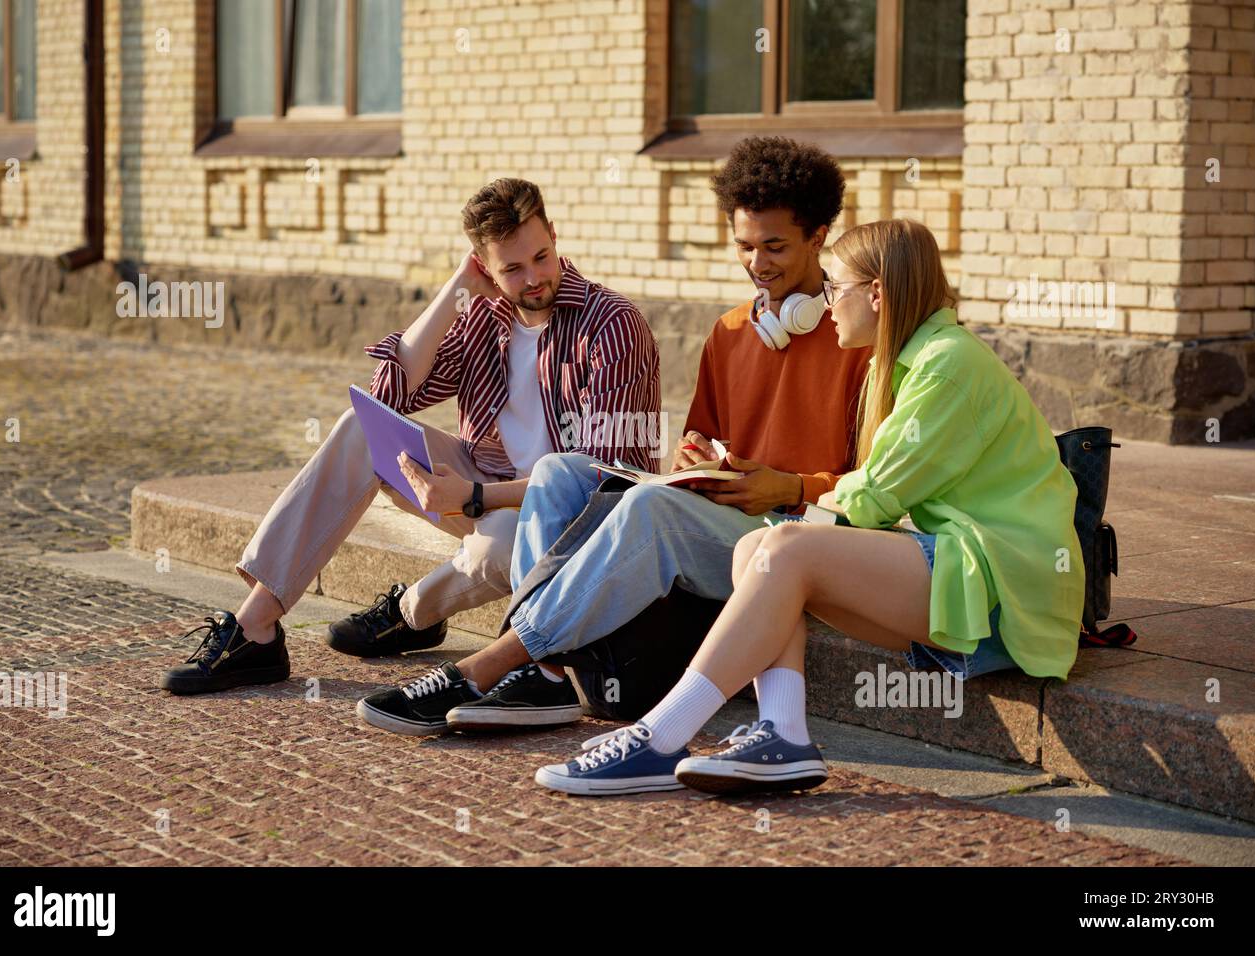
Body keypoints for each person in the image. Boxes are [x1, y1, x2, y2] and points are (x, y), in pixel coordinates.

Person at [532, 218, 1086, 796]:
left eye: (835, 288)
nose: (827, 305)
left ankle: (659, 737)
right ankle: (783, 733)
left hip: (1006, 591)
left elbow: (872, 500)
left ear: (876, 294)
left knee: (784, 548)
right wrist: (781, 515)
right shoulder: (907, 359)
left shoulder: (947, 364)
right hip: (963, 566)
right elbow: (869, 497)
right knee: (755, 548)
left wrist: (788, 503)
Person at [355, 136, 873, 734]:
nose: (758, 264)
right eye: (745, 246)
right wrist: (700, 459)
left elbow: (879, 491)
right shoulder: (730, 332)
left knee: (652, 506)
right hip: (726, 524)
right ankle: (545, 682)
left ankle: (499, 664)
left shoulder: (858, 339)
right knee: (559, 470)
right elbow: (696, 444)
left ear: (819, 236)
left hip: (801, 533)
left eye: (775, 246)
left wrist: (788, 485)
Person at [160, 178, 660, 697]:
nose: (533, 278)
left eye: (541, 256)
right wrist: (454, 292)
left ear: (555, 236)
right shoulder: (484, 316)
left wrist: (474, 498)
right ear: (485, 266)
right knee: (359, 429)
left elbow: (605, 477)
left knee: (502, 545)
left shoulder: (612, 326)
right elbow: (389, 396)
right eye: (511, 268)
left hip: (561, 517)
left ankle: (410, 610)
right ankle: (256, 629)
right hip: (477, 486)